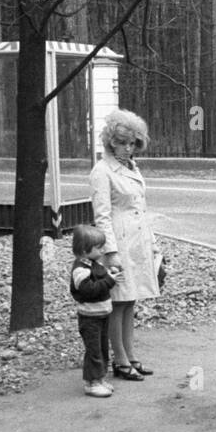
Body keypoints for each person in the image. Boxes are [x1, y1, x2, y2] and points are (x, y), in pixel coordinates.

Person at [90, 109, 159, 383]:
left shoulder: (132, 167)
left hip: (136, 240)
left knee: (131, 301)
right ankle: (119, 360)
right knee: (118, 302)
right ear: (111, 142)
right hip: (118, 241)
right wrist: (111, 252)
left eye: (132, 143)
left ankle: (130, 354)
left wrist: (152, 243)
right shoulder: (102, 171)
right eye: (122, 143)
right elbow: (102, 215)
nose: (128, 148)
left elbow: (140, 207)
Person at [69, 225, 121, 398]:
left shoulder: (94, 264)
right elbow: (89, 290)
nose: (102, 250)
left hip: (102, 313)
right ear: (85, 250)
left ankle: (99, 377)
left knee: (102, 347)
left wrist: (109, 274)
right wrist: (109, 281)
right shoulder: (80, 270)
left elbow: (102, 274)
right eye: (98, 247)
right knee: (94, 350)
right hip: (90, 316)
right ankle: (92, 382)